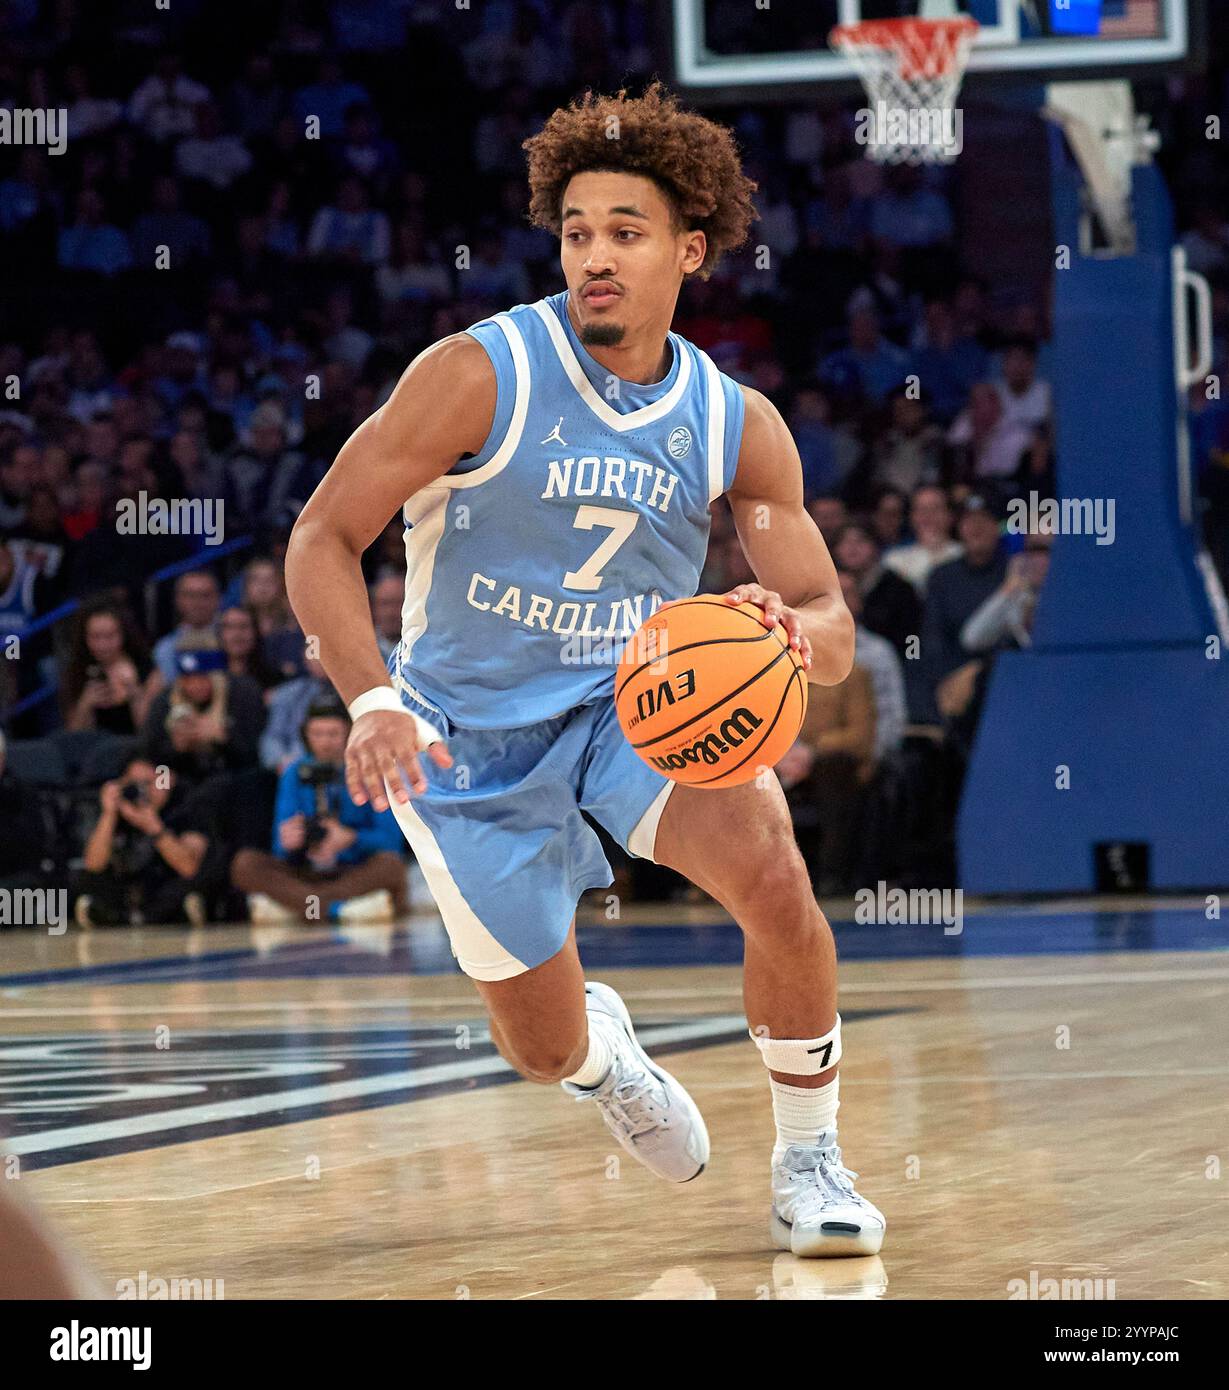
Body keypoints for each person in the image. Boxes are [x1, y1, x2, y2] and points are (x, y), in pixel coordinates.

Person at [285, 83, 885, 1258]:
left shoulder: (734, 421)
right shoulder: (475, 372)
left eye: (625, 230)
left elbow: (828, 621)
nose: (594, 257)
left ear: (689, 249)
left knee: (773, 873)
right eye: (575, 232)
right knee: (541, 1043)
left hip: (638, 704)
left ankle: (809, 1155)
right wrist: (369, 700)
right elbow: (319, 536)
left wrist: (785, 632)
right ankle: (601, 1057)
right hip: (461, 734)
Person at [231, 702, 407, 923]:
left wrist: (351, 838)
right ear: (306, 736)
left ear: (349, 733)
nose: (324, 743)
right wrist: (290, 840)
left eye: (333, 734)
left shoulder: (370, 770)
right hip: (306, 870)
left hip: (355, 868)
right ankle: (338, 909)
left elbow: (391, 842)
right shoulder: (294, 772)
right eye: (317, 734)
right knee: (245, 864)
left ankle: (306, 907)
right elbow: (279, 846)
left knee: (391, 867)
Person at [73, 756, 213, 927]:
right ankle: (106, 913)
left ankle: (173, 912)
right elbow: (93, 865)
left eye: (149, 783)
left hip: (163, 890)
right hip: (124, 888)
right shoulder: (112, 811)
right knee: (86, 879)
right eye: (134, 783)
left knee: (191, 883)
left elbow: (189, 868)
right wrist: (109, 815)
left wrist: (154, 828)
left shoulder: (186, 809)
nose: (143, 791)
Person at [140, 646, 265, 786]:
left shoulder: (242, 695)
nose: (195, 686)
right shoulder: (165, 702)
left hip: (234, 780)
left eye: (202, 678)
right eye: (188, 680)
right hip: (185, 783)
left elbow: (257, 755)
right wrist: (175, 747)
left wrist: (223, 737)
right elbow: (151, 756)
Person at [61, 598, 152, 734]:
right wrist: (85, 705)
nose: (102, 645)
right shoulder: (77, 671)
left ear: (123, 635)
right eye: (95, 637)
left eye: (110, 636)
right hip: (96, 749)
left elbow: (150, 732)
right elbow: (73, 737)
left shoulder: (147, 669)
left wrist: (134, 692)